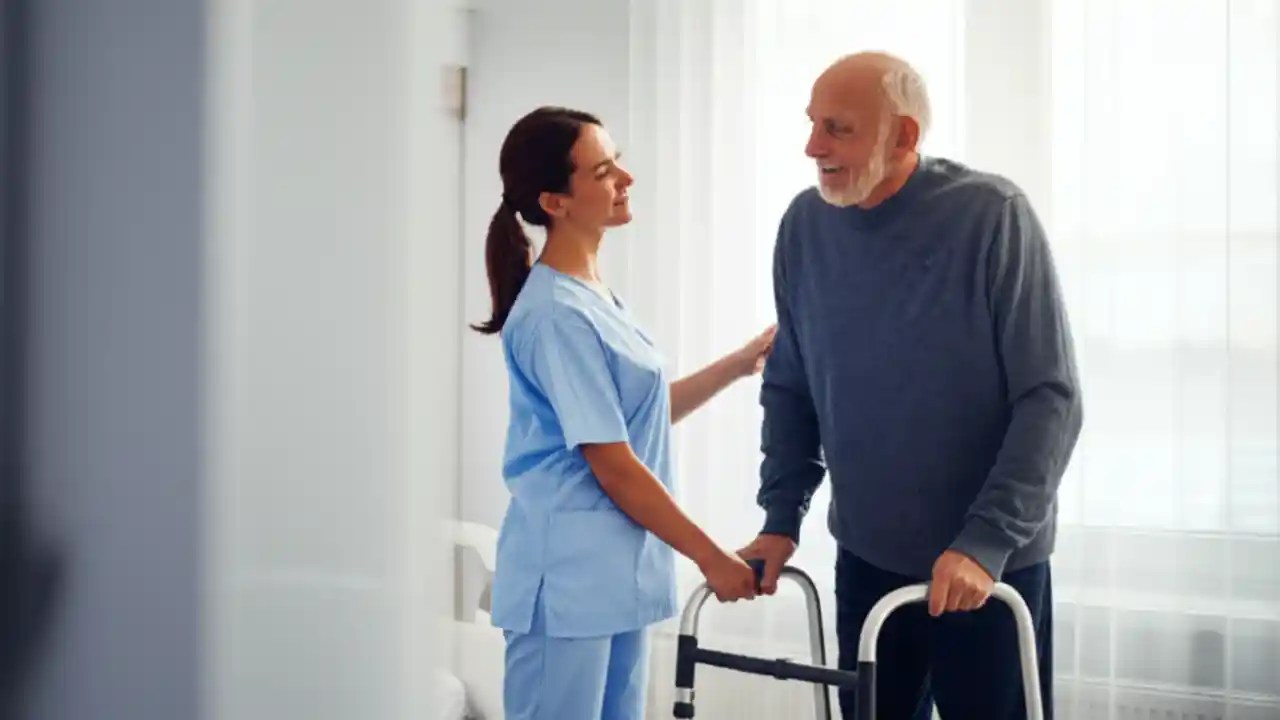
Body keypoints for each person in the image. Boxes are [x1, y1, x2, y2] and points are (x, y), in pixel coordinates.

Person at [737, 52, 1083, 720]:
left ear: (903, 136)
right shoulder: (804, 227)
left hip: (986, 569)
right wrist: (781, 517)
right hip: (868, 556)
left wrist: (985, 542)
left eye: (837, 128)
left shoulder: (992, 215)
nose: (812, 146)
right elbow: (791, 387)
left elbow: (1051, 398)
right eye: (812, 124)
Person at [473, 106, 775, 720]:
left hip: (616, 581)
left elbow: (635, 419)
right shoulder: (556, 313)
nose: (626, 179)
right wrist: (710, 556)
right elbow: (612, 464)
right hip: (566, 584)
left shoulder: (593, 296)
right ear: (555, 201)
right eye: (605, 170)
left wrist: (739, 364)